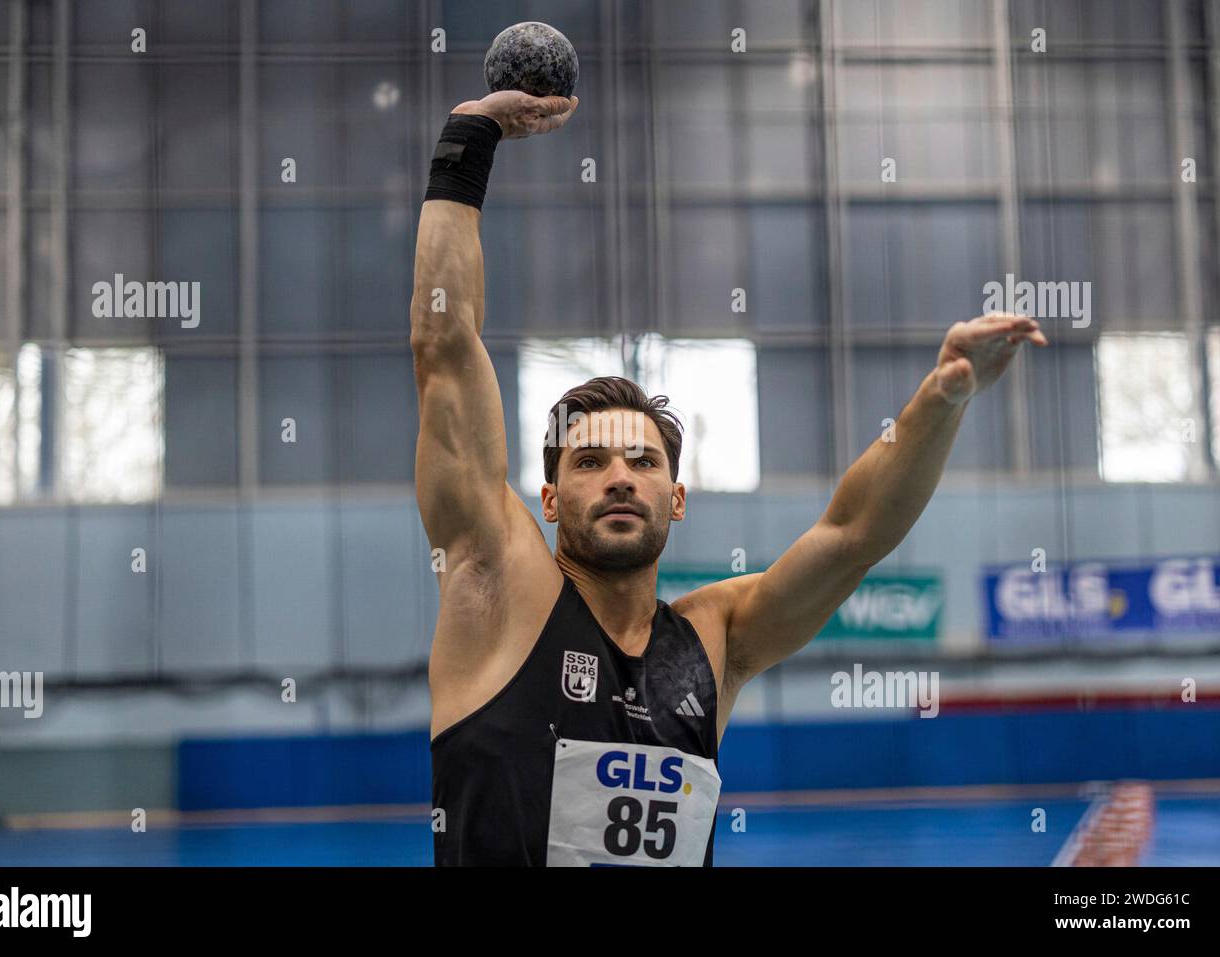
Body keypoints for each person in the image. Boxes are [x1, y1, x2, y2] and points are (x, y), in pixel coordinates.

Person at [411, 90, 1047, 866]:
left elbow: (852, 537)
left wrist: (944, 392)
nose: (619, 477)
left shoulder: (713, 641)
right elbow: (446, 345)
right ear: (548, 498)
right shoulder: (495, 586)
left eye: (643, 462)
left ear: (675, 499)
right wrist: (468, 139)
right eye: (590, 461)